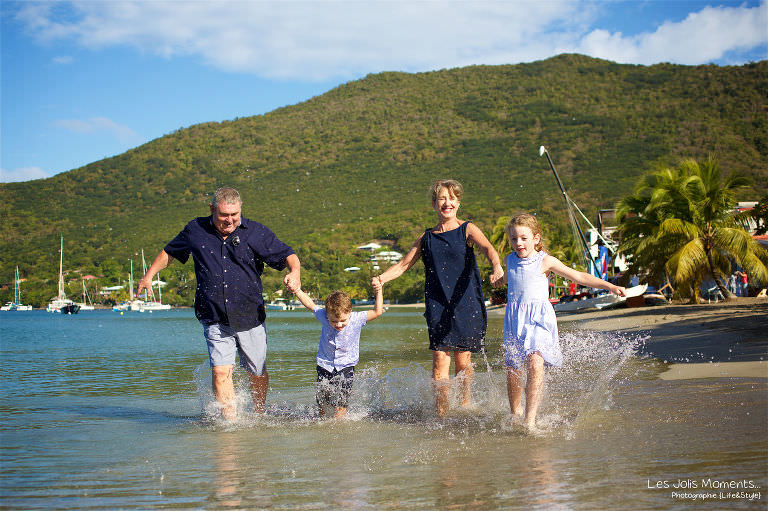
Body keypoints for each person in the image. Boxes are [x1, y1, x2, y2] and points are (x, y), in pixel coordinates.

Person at [137, 187, 301, 419]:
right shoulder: (196, 229)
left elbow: (288, 254)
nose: (229, 220)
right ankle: (229, 425)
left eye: (234, 214)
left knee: (256, 371)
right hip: (214, 316)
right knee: (220, 372)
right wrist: (148, 276)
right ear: (212, 209)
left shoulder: (255, 232)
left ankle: (259, 414)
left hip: (250, 316)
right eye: (224, 215)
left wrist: (295, 272)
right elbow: (169, 253)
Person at [374, 180, 504, 416]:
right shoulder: (427, 237)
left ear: (458, 203)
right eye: (442, 198)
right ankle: (441, 414)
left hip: (466, 302)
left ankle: (465, 405)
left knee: (462, 360)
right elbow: (403, 265)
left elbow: (488, 249)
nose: (447, 203)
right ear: (434, 204)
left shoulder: (467, 229)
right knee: (439, 360)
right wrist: (381, 278)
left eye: (452, 198)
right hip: (438, 304)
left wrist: (496, 266)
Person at [498, 213, 625, 431]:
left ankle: (529, 420)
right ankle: (515, 413)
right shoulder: (510, 260)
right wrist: (497, 280)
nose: (518, 243)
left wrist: (610, 286)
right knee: (513, 369)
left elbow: (579, 277)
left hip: (538, 319)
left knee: (535, 362)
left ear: (536, 238)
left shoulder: (545, 261)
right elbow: (507, 279)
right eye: (514, 238)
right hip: (514, 320)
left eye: (524, 238)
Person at [292, 280, 384, 418]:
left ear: (350, 312)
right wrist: (297, 291)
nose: (339, 325)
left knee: (342, 400)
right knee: (322, 400)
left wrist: (379, 290)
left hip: (346, 365)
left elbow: (377, 311)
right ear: (327, 315)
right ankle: (323, 421)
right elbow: (310, 304)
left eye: (343, 321)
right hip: (325, 364)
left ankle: (338, 424)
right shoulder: (323, 315)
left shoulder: (357, 318)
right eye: (333, 321)